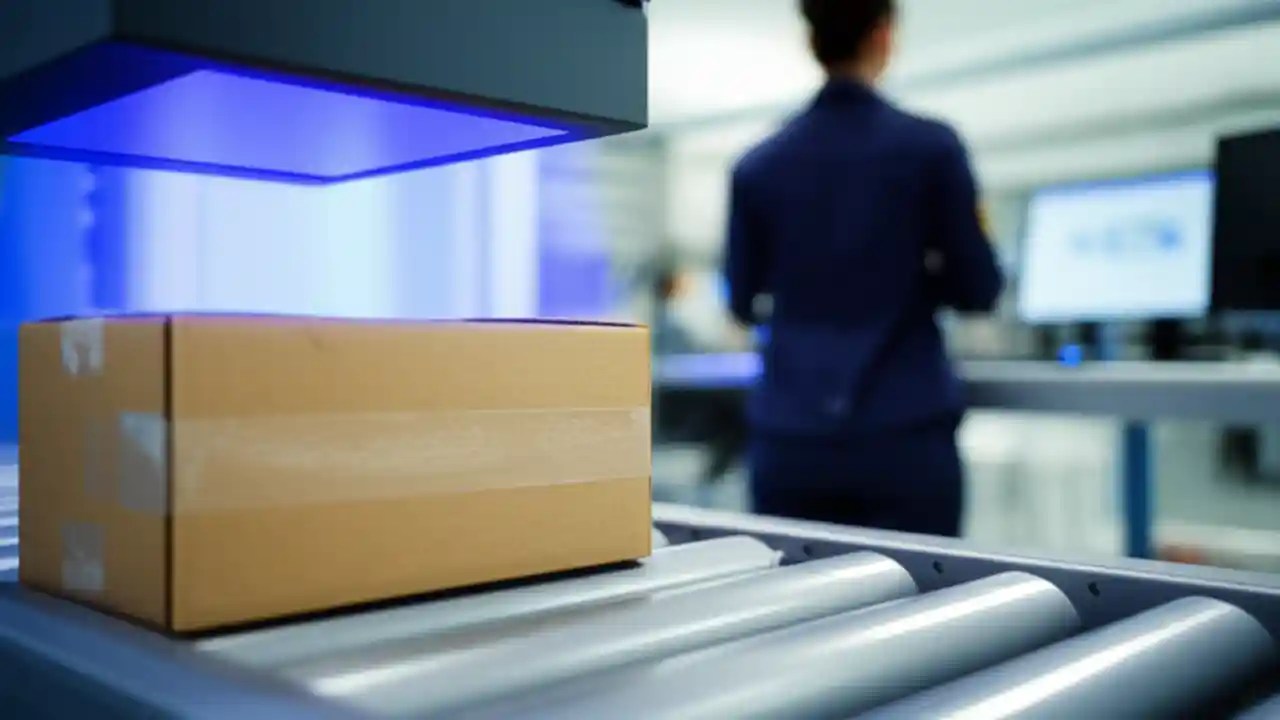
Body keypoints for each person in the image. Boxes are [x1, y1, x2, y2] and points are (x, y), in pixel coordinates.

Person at [725, 0, 1003, 536]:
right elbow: (979, 287)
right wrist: (919, 275)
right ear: (884, 37)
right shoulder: (932, 150)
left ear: (811, 43)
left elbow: (740, 298)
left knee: (794, 613)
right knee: (923, 610)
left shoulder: (758, 166)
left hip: (791, 444)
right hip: (903, 438)